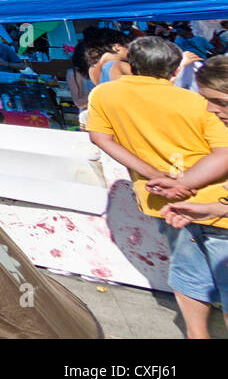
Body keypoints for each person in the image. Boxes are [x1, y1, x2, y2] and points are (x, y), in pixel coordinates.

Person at [86, 37, 228, 339]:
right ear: (176, 69)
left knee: (189, 273)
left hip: (164, 201)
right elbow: (223, 154)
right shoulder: (197, 101)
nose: (215, 109)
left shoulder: (104, 94)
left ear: (131, 65)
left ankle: (196, 335)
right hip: (211, 199)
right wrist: (181, 183)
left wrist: (158, 177)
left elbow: (100, 138)